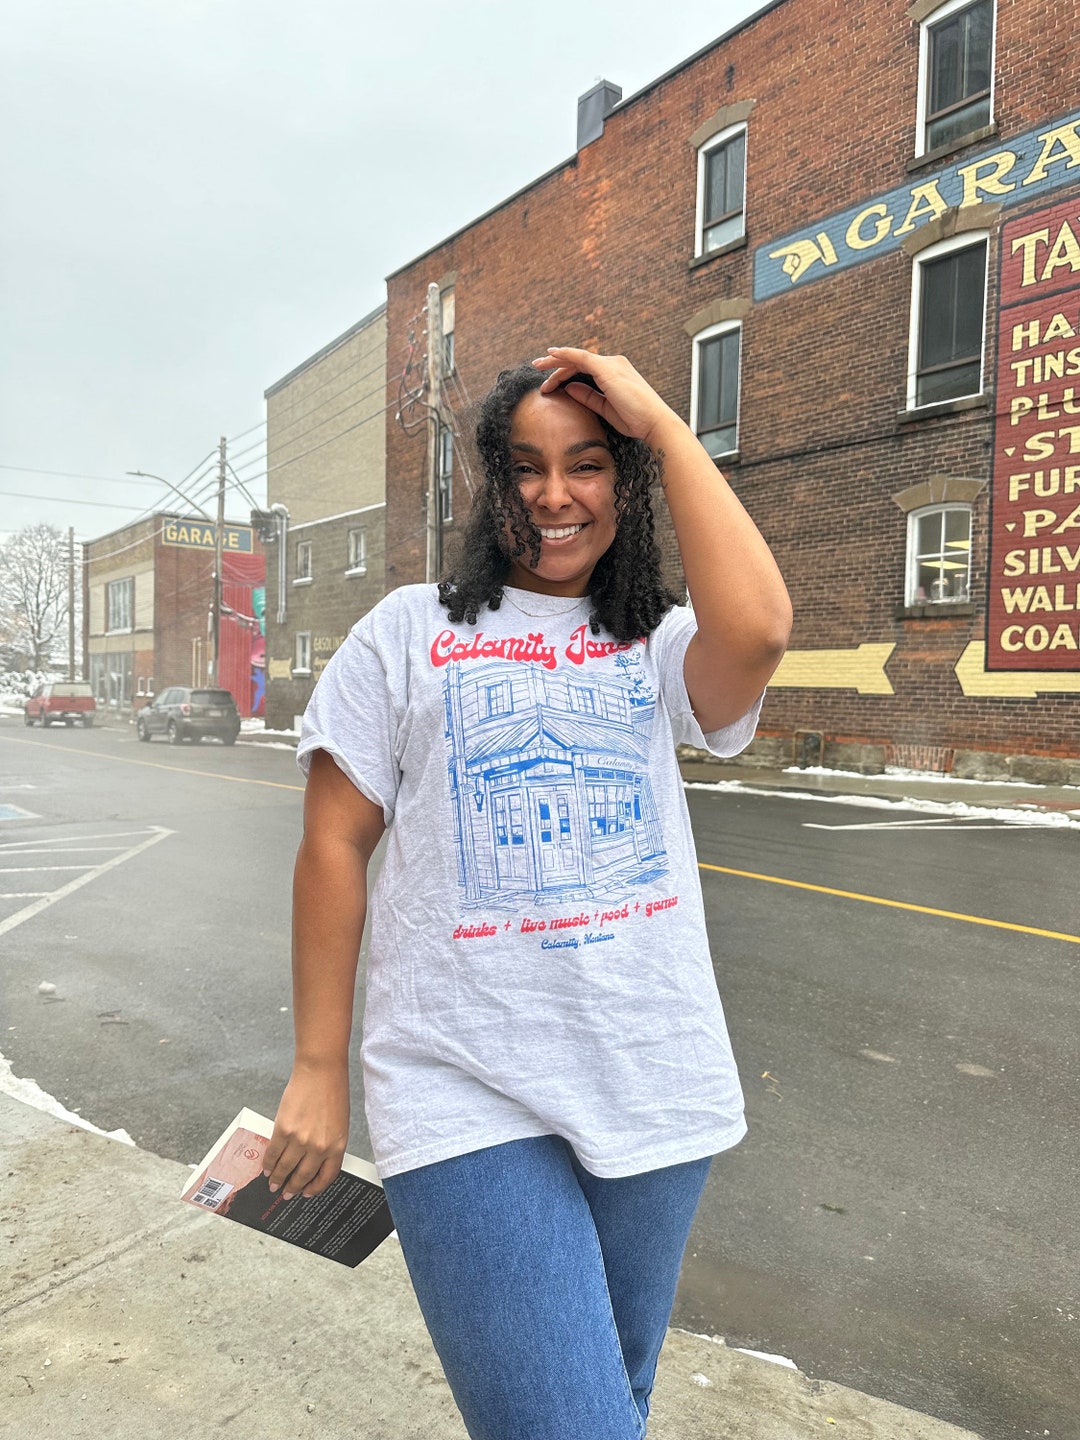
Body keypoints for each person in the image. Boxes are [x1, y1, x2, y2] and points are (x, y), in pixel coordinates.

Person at [264, 347, 792, 1440]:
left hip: (652, 1083)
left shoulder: (653, 641)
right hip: (461, 1083)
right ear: (486, 486)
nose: (554, 496)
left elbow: (761, 630)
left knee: (611, 1403)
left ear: (626, 481)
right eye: (523, 467)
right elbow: (331, 847)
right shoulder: (407, 633)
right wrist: (318, 1065)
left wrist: (668, 430)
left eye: (588, 465)